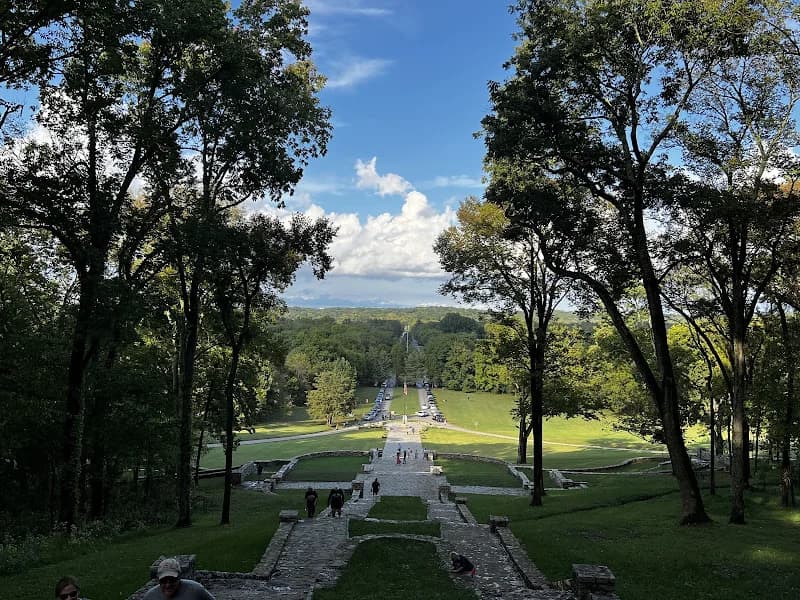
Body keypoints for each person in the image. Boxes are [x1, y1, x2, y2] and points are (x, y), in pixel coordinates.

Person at [142, 557, 215, 599]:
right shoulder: (150, 596)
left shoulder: (196, 590)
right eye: (163, 581)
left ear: (179, 577)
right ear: (158, 580)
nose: (168, 585)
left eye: (172, 580)